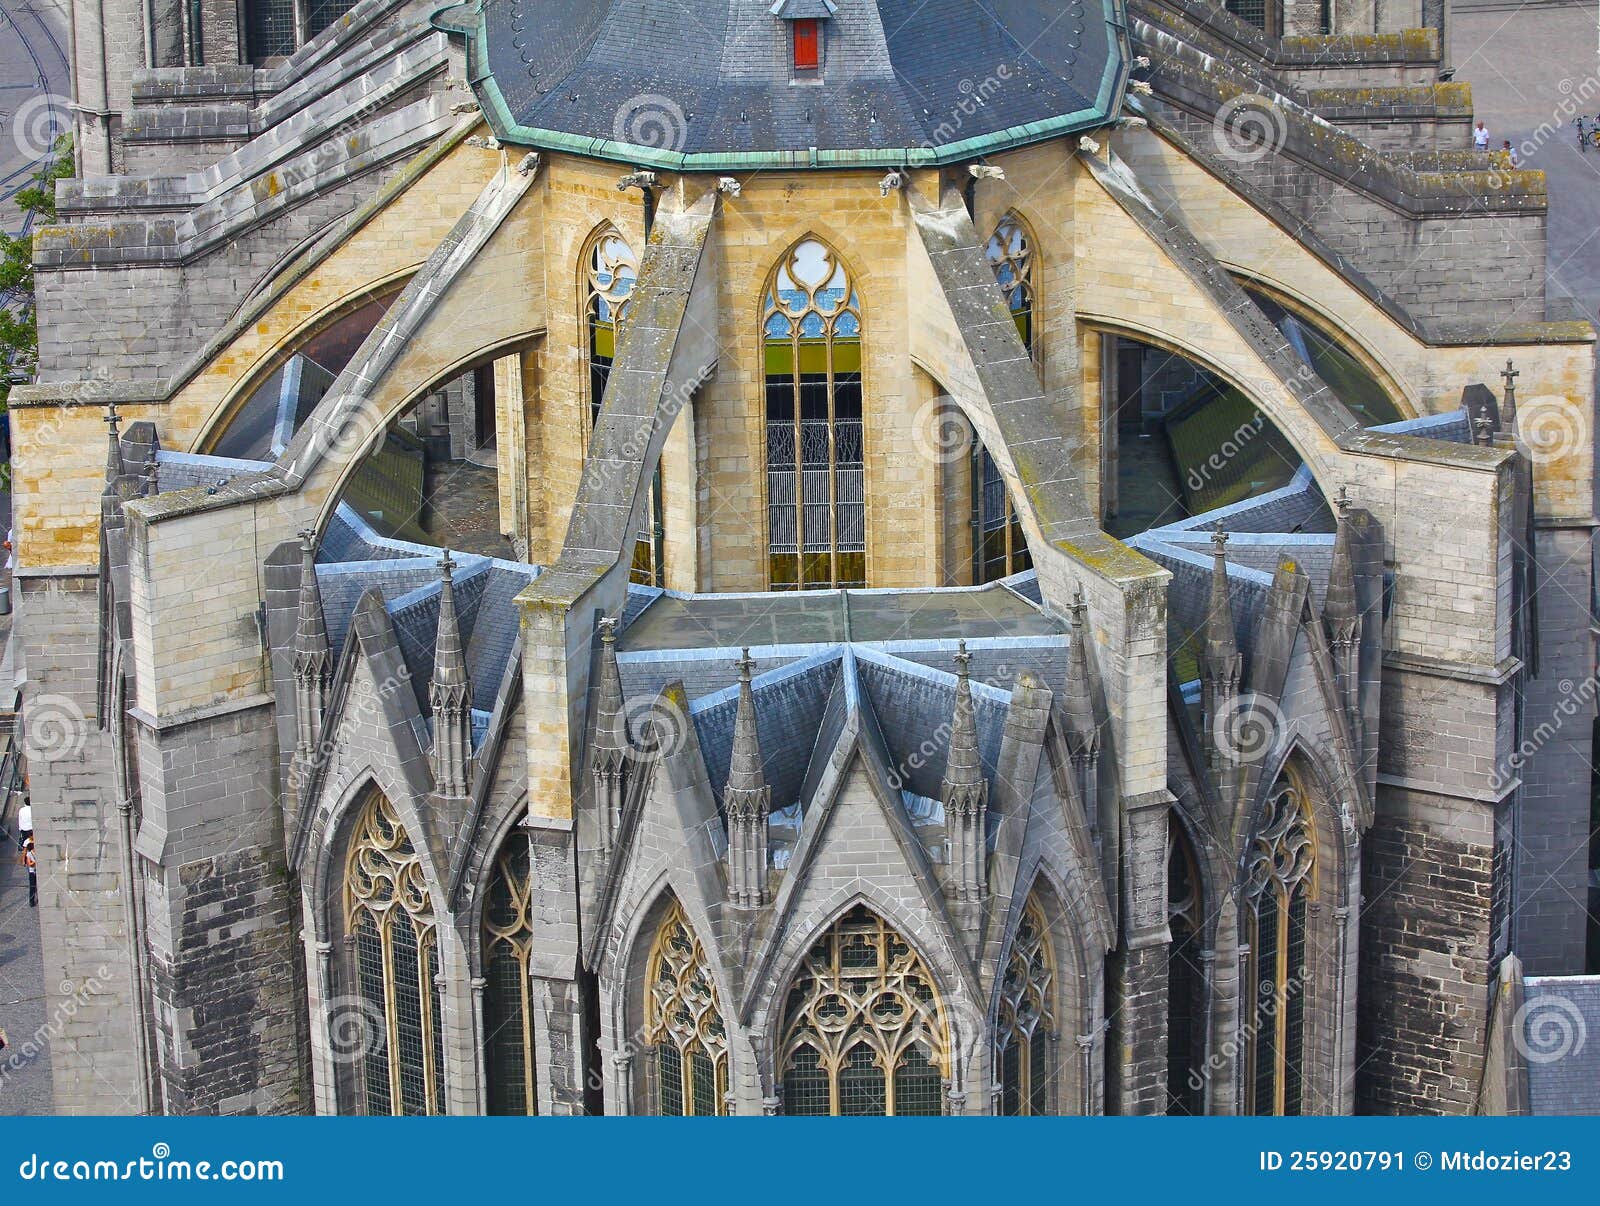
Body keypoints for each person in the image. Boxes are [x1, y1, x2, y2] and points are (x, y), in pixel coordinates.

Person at [21, 836, 36, 907]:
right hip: (32, 872)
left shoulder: (38, 852)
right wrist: (35, 862)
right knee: (32, 886)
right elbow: (29, 864)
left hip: (37, 871)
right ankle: (31, 901)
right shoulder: (29, 854)